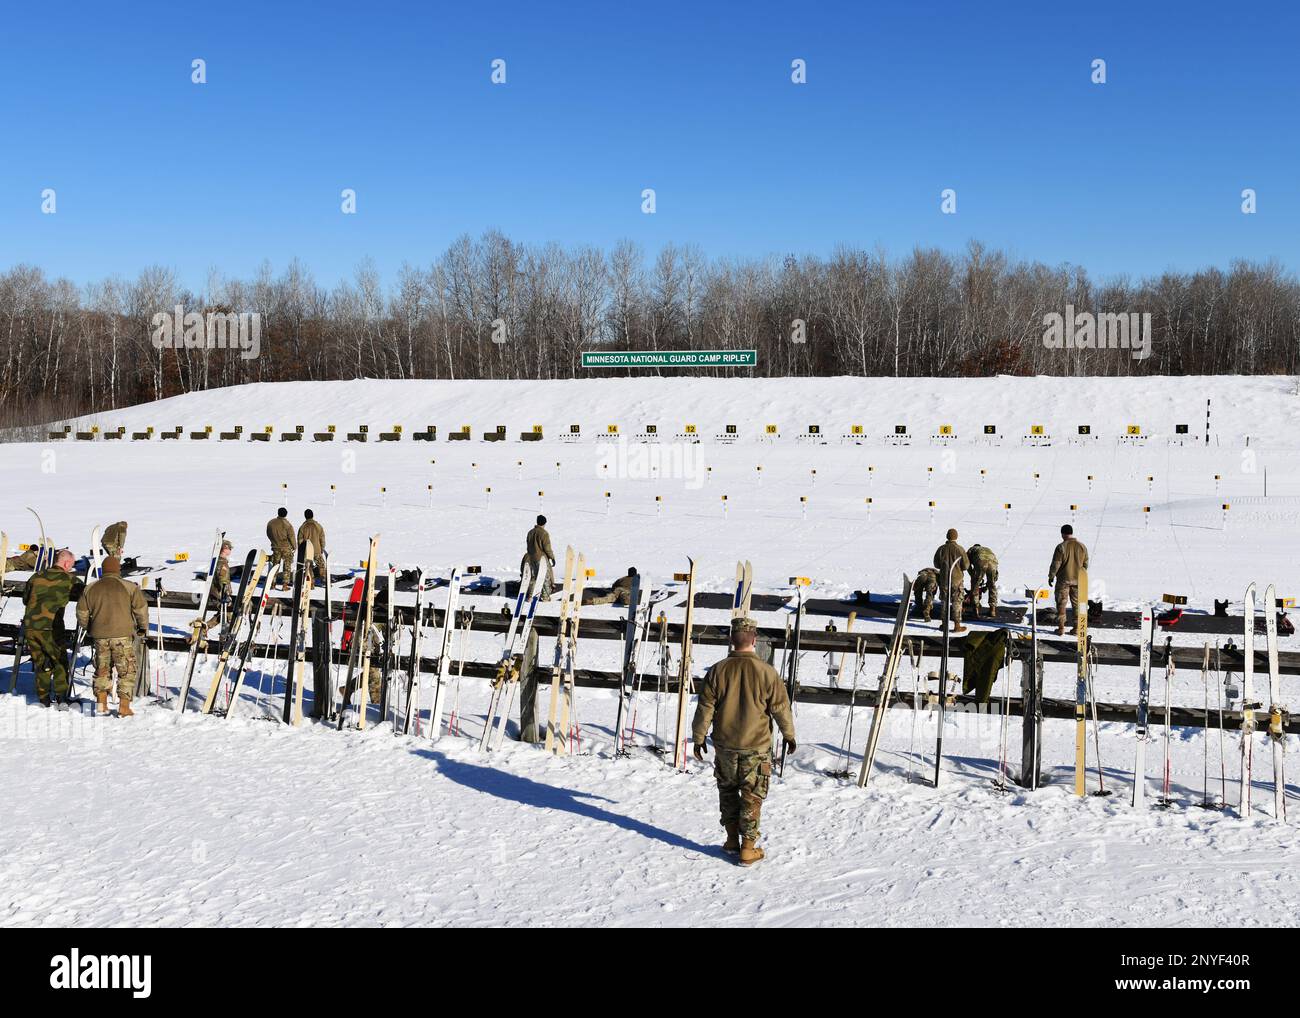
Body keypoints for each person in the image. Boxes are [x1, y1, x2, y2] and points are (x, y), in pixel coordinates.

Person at [691, 617, 796, 866]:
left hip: (725, 745)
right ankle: (748, 848)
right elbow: (781, 708)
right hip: (756, 747)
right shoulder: (767, 673)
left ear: (731, 640)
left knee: (727, 791)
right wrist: (789, 735)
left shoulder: (717, 670)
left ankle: (730, 841)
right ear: (754, 640)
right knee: (752, 795)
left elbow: (705, 707)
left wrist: (698, 737)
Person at [76, 556, 149, 717]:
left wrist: (88, 627)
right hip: (122, 636)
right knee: (127, 671)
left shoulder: (90, 588)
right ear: (118, 569)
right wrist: (142, 628)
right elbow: (141, 609)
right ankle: (124, 707)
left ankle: (101, 705)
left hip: (100, 636)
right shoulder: (129, 587)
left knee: (102, 670)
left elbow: (81, 612)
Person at [21, 549, 76, 706]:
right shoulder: (69, 578)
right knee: (59, 660)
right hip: (52, 626)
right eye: (71, 565)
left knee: (41, 661)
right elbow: (84, 594)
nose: (71, 568)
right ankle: (61, 697)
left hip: (31, 626)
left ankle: (43, 698)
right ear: (66, 563)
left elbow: (25, 599)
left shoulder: (36, 576)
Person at [1048, 523, 1090, 635]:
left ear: (1063, 534)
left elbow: (1056, 564)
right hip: (1078, 580)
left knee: (1061, 603)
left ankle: (1061, 628)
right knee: (1077, 604)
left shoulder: (1061, 547)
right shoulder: (1082, 546)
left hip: (1063, 580)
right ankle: (1077, 628)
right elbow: (1085, 564)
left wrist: (1051, 576)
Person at [932, 528, 969, 633]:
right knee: (957, 601)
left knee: (944, 601)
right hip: (957, 580)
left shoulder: (941, 549)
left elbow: (936, 564)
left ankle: (944, 624)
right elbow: (966, 565)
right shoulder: (960, 549)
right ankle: (957, 625)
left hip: (944, 579)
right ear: (956, 537)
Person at [521, 515, 556, 600]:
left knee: (533, 577)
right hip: (541, 558)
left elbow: (528, 545)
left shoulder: (530, 532)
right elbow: (547, 548)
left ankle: (530, 596)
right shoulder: (544, 533)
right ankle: (545, 596)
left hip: (530, 557)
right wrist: (552, 557)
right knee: (545, 578)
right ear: (544, 523)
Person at [202, 540, 234, 633]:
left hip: (216, 593)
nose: (231, 550)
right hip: (220, 595)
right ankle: (226, 636)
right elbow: (223, 581)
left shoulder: (217, 561)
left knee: (223, 615)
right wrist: (226, 594)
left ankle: (204, 628)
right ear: (225, 549)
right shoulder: (222, 564)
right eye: (230, 548)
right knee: (229, 617)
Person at [967, 543, 999, 618]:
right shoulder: (988, 549)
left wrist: (972, 575)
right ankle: (992, 610)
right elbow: (995, 566)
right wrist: (994, 579)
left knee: (975, 586)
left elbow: (966, 563)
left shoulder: (971, 549)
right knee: (992, 586)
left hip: (981, 562)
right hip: (993, 563)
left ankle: (975, 610)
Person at [267, 508, 295, 590]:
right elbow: (291, 537)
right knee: (287, 566)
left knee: (275, 565)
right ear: (286, 514)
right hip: (286, 547)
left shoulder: (271, 523)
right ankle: (285, 585)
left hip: (275, 547)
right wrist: (294, 546)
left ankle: (273, 583)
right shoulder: (287, 524)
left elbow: (268, 533)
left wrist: (273, 541)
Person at [297, 509, 327, 585]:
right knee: (321, 565)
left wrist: (302, 551)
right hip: (317, 549)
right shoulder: (318, 526)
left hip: (307, 551)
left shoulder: (302, 527)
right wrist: (322, 548)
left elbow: (300, 540)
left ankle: (311, 583)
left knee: (308, 567)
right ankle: (324, 580)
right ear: (312, 515)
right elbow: (322, 538)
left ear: (305, 516)